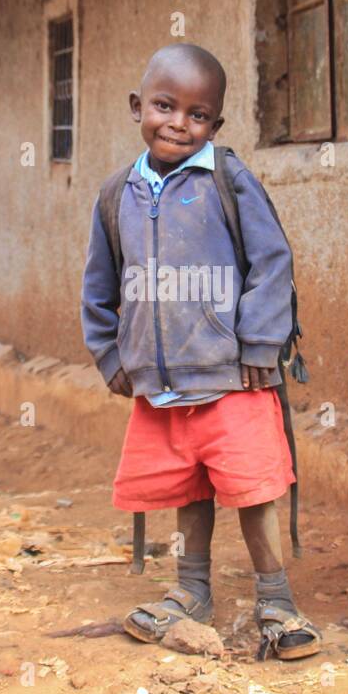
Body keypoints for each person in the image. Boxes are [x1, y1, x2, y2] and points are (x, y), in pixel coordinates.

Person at [80, 43, 321, 660]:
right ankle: (192, 592)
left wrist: (262, 342)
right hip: (161, 386)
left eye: (198, 115)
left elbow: (273, 262)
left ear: (216, 124)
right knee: (189, 491)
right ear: (138, 106)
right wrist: (111, 357)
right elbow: (99, 286)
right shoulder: (116, 195)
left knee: (253, 487)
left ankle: (276, 600)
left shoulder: (227, 179)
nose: (178, 124)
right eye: (165, 106)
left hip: (234, 378)